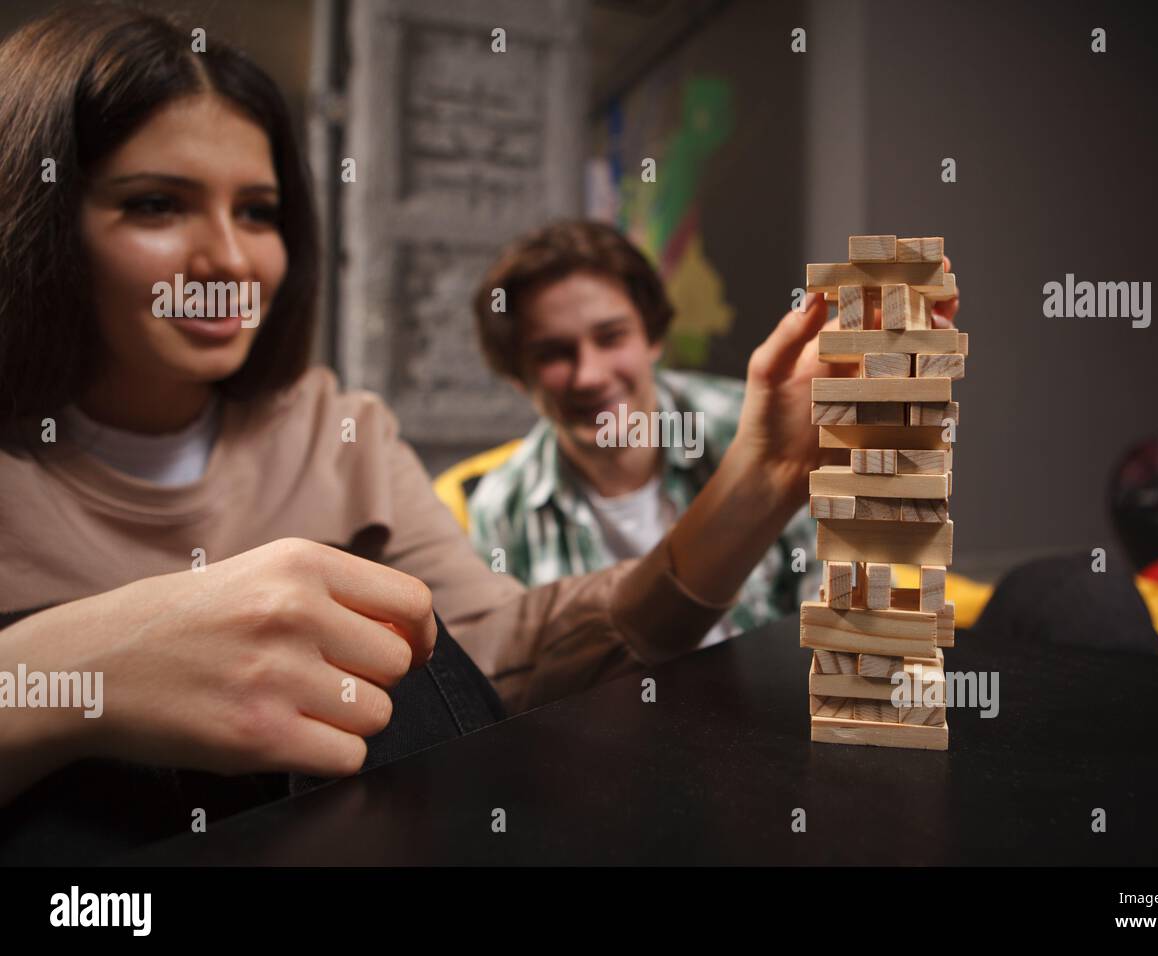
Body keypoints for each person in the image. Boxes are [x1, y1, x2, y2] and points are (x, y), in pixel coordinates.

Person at [0, 5, 846, 860]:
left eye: (257, 212)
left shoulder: (343, 432)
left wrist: (761, 477)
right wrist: (92, 667)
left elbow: (501, 657)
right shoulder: (505, 494)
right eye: (156, 204)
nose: (229, 260)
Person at [453, 222, 962, 644]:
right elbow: (520, 685)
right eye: (553, 353)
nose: (589, 375)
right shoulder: (500, 507)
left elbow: (837, 618)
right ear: (517, 376)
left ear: (652, 337)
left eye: (611, 337)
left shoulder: (751, 420)